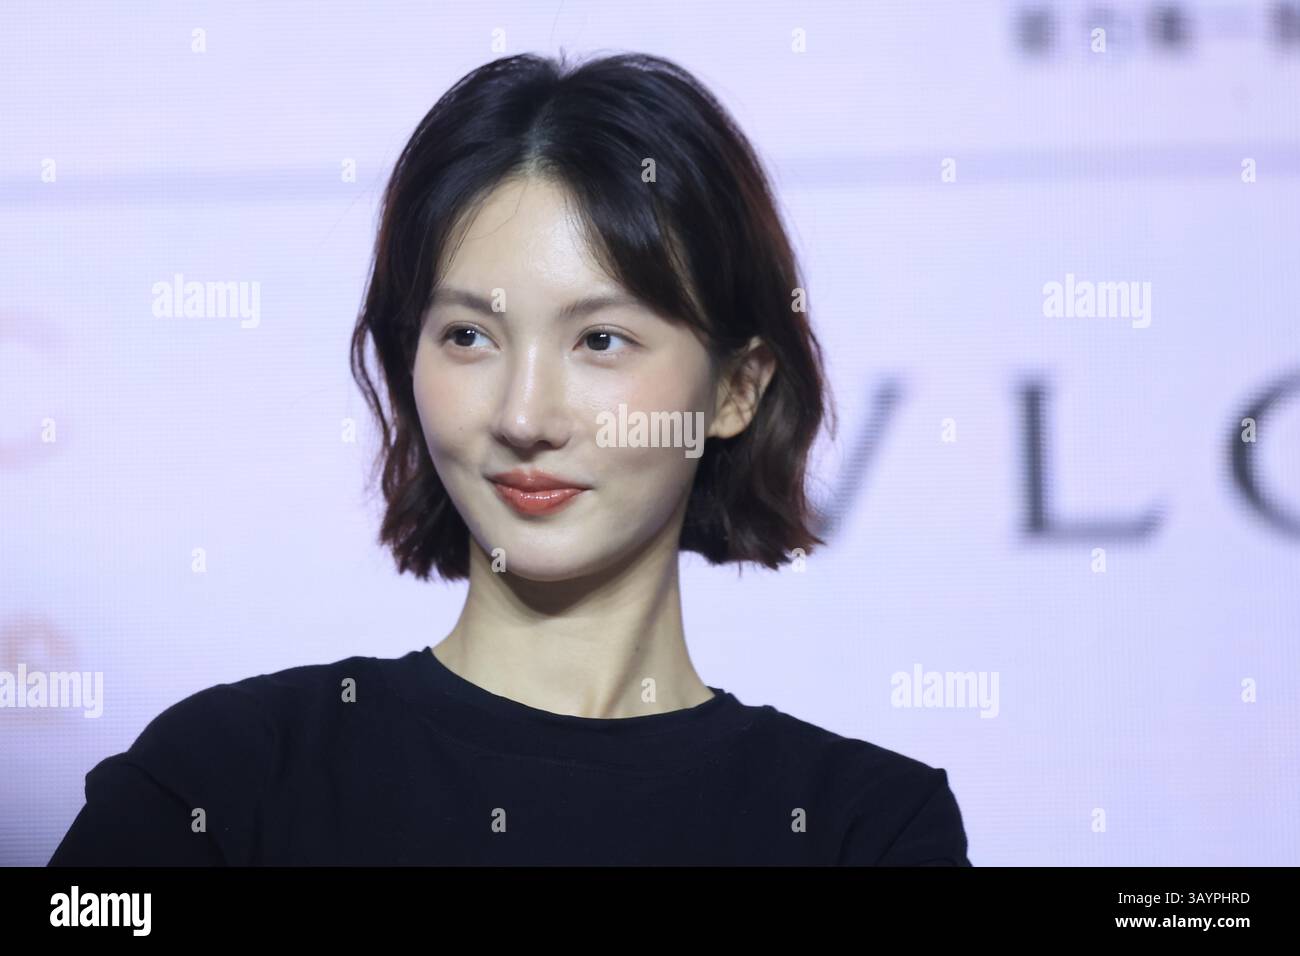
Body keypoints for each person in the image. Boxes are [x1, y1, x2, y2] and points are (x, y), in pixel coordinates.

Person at [48, 51, 971, 866]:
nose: (526, 417)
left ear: (737, 390)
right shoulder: (228, 781)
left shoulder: (863, 828)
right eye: (469, 337)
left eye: (602, 341)